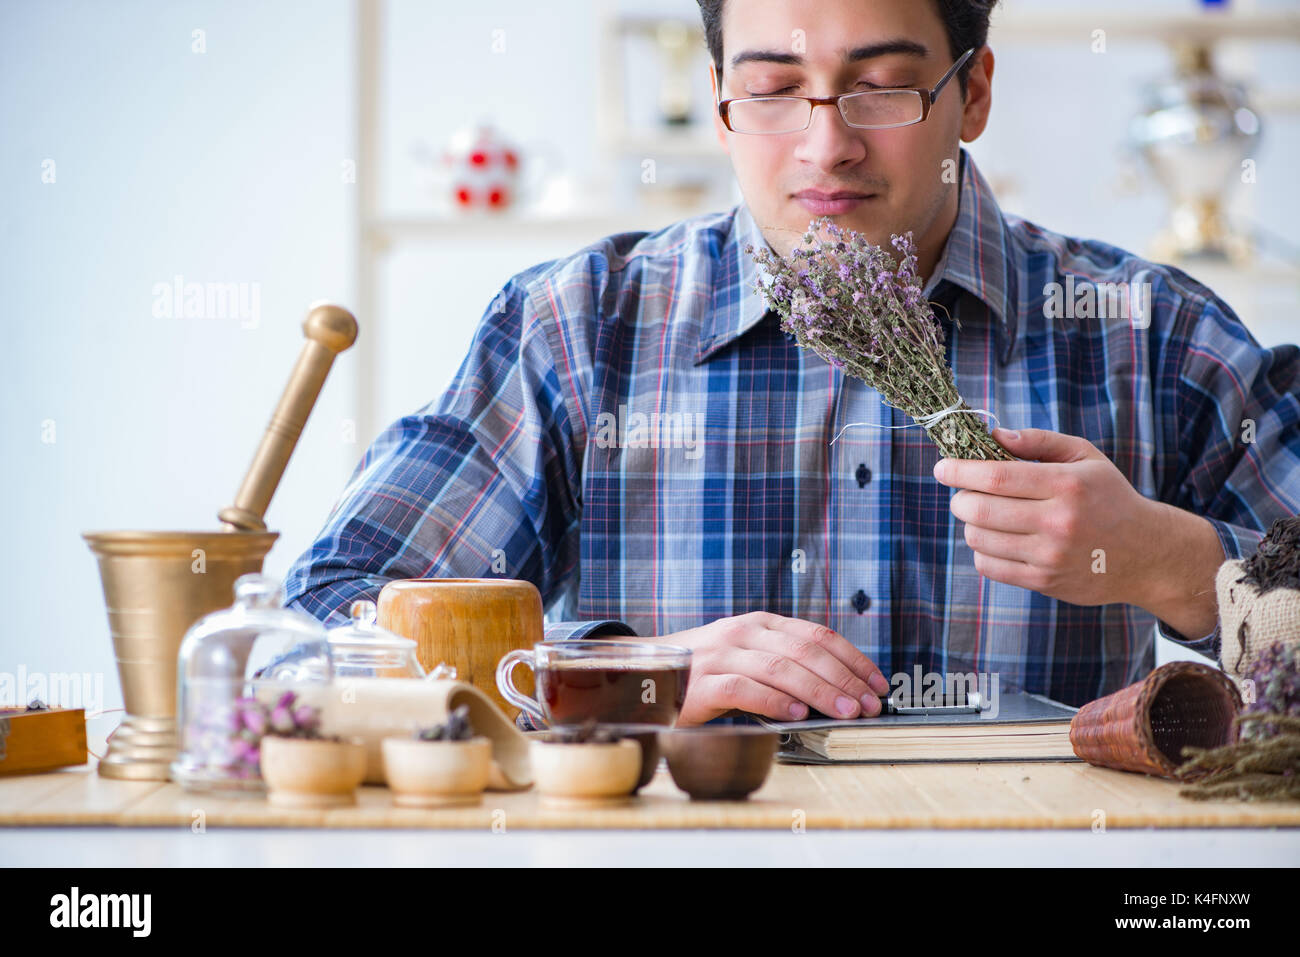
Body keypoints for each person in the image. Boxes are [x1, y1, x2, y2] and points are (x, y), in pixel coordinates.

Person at [283, 0, 1300, 728]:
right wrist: (634, 673)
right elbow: (321, 627)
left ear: (973, 91)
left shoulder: (1147, 335)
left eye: (881, 88)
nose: (825, 146)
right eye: (771, 90)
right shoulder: (575, 328)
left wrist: (1175, 565)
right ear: (719, 101)